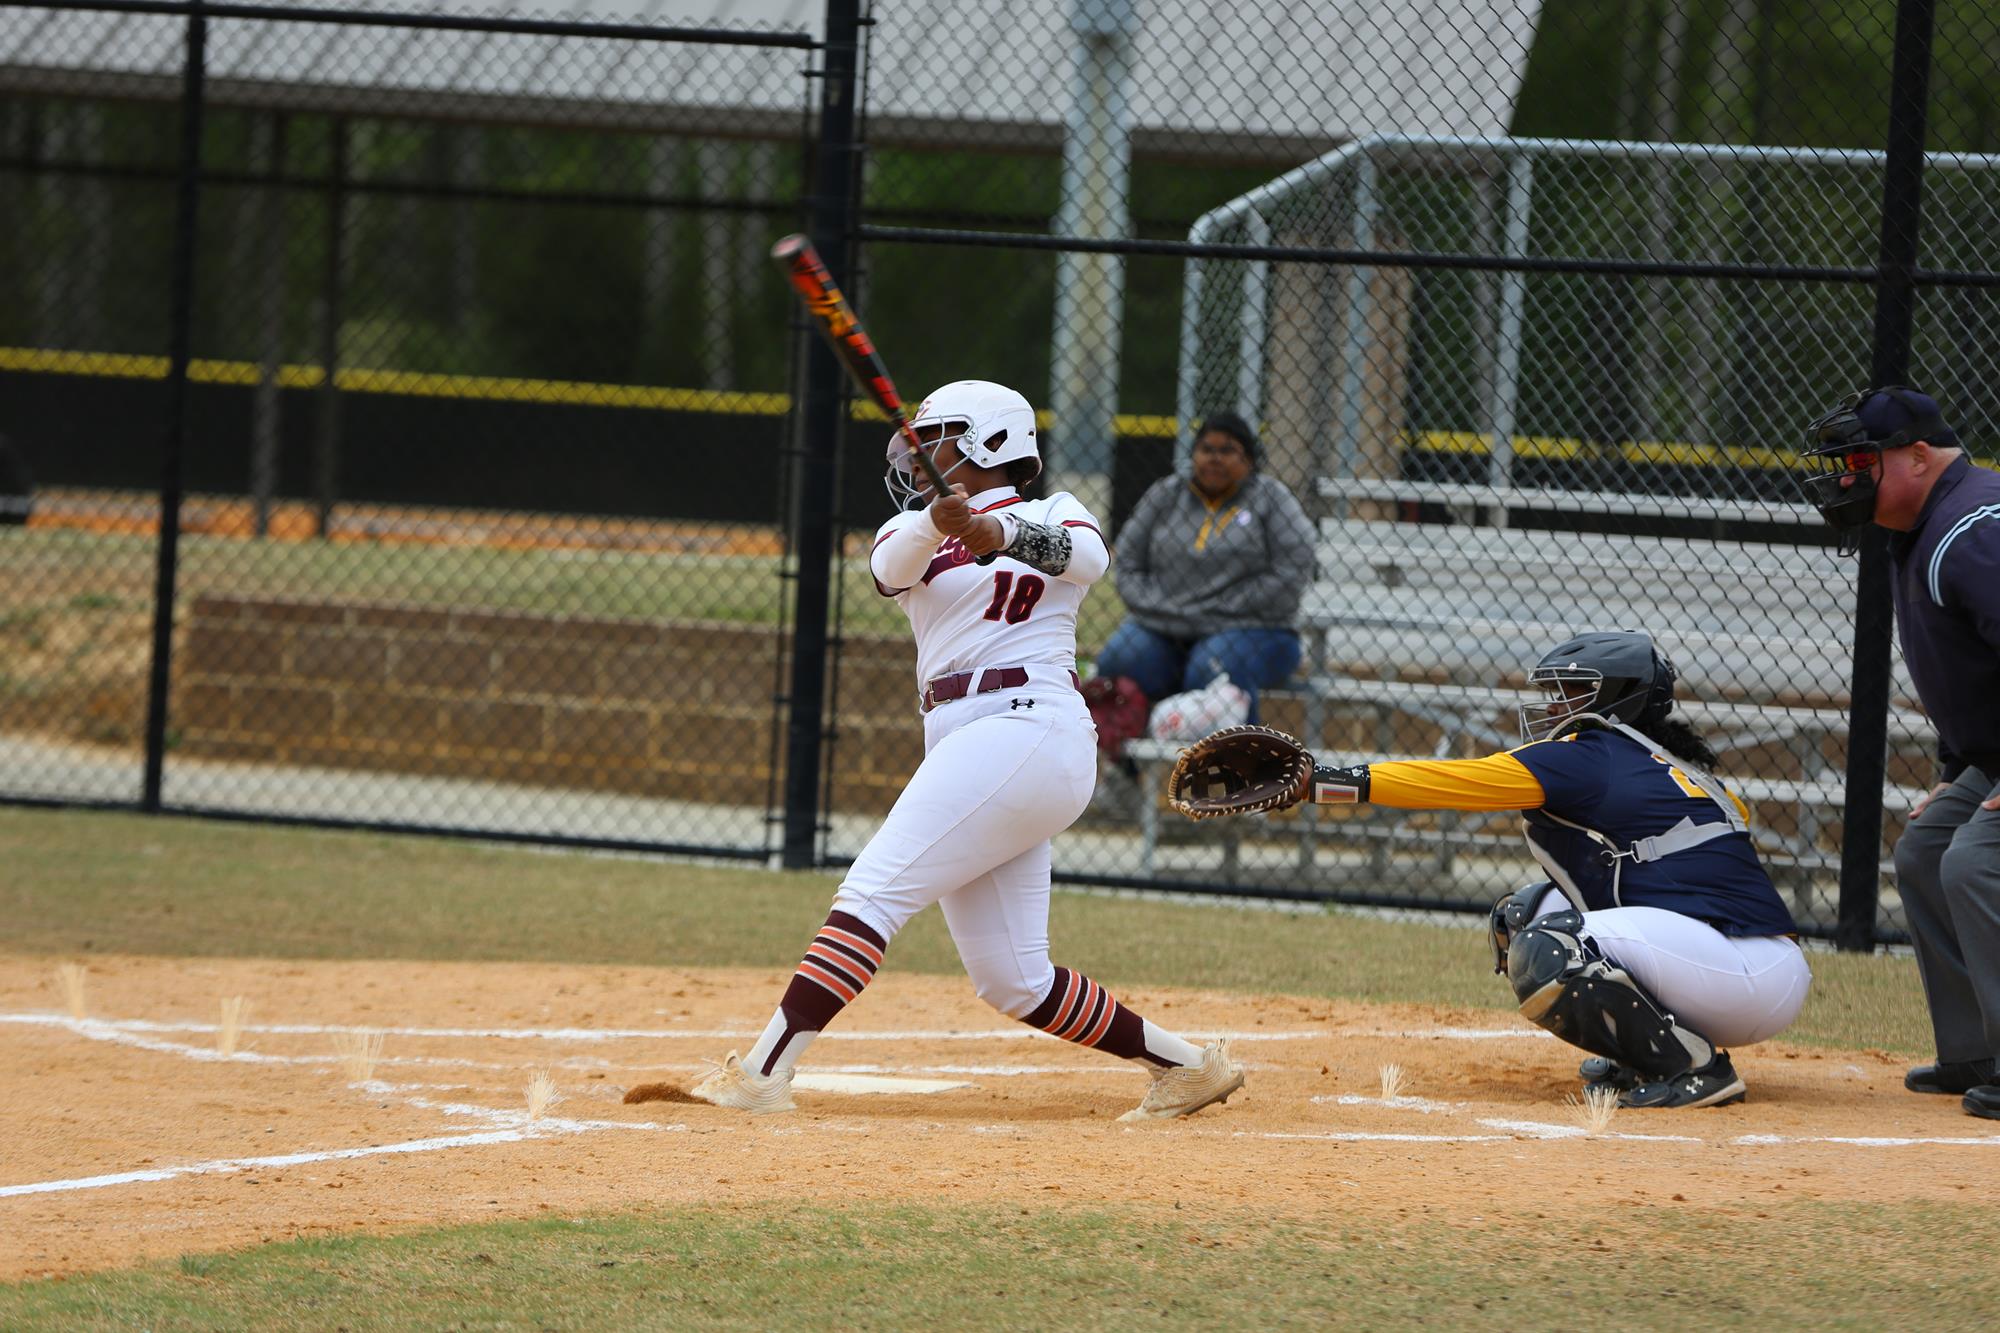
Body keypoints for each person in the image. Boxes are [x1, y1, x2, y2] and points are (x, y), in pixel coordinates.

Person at [688, 379, 1245, 1120]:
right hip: (974, 739)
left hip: (1029, 722)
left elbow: (1085, 559)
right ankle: (1187, 1066)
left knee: (872, 890)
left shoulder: (1053, 509)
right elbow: (890, 569)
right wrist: (942, 521)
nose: (922, 452)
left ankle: (761, 1073)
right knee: (1014, 979)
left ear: (990, 441)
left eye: (940, 435)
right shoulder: (909, 531)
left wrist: (1001, 534)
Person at [1212, 630, 1812, 1108]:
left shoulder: (1591, 758)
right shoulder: (1654, 759)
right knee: (1523, 914)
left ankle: (1695, 1068)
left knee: (1550, 948)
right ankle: (1648, 1048)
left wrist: (1327, 784)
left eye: (1570, 693)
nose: (1552, 706)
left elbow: (1462, 782)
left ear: (1614, 700)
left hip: (1744, 972)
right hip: (1736, 959)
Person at [1800, 385, 2000, 1121]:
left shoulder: (1974, 526)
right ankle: (1976, 1049)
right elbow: (1973, 671)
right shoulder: (1926, 527)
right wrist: (1956, 771)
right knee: (1926, 850)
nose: (1846, 477)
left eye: (1860, 460)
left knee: (1976, 861)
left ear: (1918, 456)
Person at [1094, 411, 1315, 724]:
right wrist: (1161, 606)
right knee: (1121, 659)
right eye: (1206, 449)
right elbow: (1128, 561)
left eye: (1227, 450)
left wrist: (1223, 607)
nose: (1214, 458)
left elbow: (1294, 568)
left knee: (1210, 667)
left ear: (1249, 460)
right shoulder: (1166, 495)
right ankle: (1129, 767)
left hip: (1252, 628)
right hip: (1164, 625)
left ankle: (1239, 769)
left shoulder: (1271, 499)